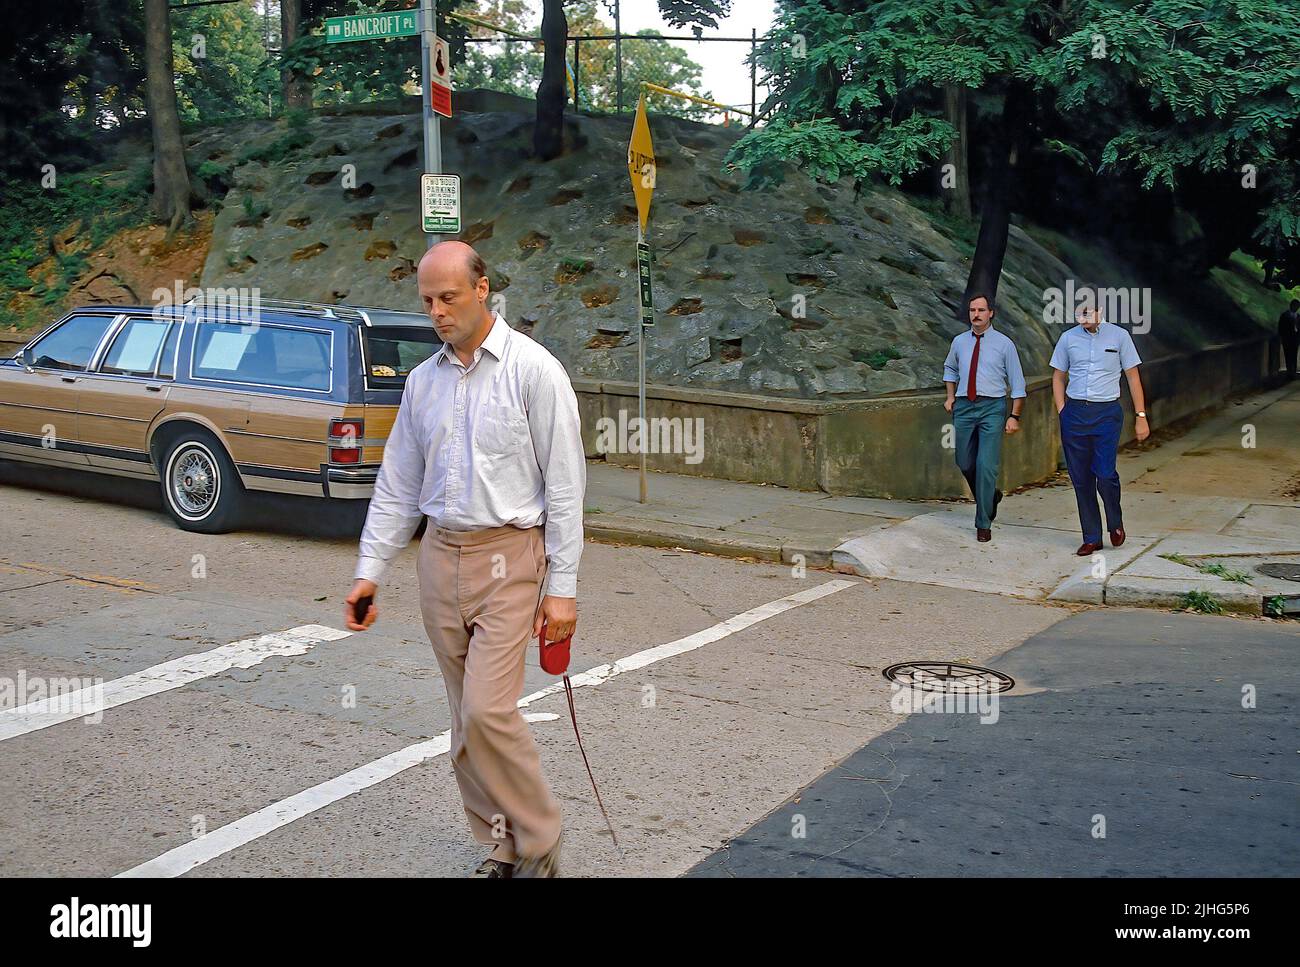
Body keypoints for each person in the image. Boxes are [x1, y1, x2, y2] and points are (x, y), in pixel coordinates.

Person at [343, 240, 585, 879]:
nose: (437, 312)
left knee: (487, 710)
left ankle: (539, 839)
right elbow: (397, 483)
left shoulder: (535, 372)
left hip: (509, 557)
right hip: (439, 555)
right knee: (464, 723)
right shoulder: (423, 382)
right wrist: (371, 570)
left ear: (483, 290)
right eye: (427, 300)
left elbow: (565, 484)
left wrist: (563, 588)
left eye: (448, 297)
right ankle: (503, 845)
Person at [1049, 286, 1149, 556]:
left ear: (1100, 310)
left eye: (1088, 310)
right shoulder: (1068, 339)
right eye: (1079, 311)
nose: (1084, 315)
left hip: (1106, 413)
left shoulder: (1119, 336)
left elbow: (1133, 377)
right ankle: (1091, 536)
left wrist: (1141, 416)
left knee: (1104, 474)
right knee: (1081, 478)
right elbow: (1058, 377)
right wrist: (1063, 410)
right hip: (1075, 414)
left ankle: (1115, 522)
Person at [943, 292, 1027, 542]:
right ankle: (990, 497)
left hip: (992, 407)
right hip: (965, 407)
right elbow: (950, 368)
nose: (976, 315)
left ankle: (983, 523)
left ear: (991, 313)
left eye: (981, 310)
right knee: (964, 461)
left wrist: (1014, 416)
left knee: (985, 466)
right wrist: (950, 397)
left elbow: (1018, 384)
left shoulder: (1004, 344)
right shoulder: (959, 342)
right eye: (972, 311)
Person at [1279, 299, 1298, 380]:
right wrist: (1281, 337)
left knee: (1294, 355)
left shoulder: (1298, 316)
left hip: (1295, 339)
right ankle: (1290, 372)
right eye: (1295, 306)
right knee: (1288, 355)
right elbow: (1281, 327)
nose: (1296, 308)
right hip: (1287, 338)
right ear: (1291, 305)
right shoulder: (1284, 315)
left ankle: (1292, 372)